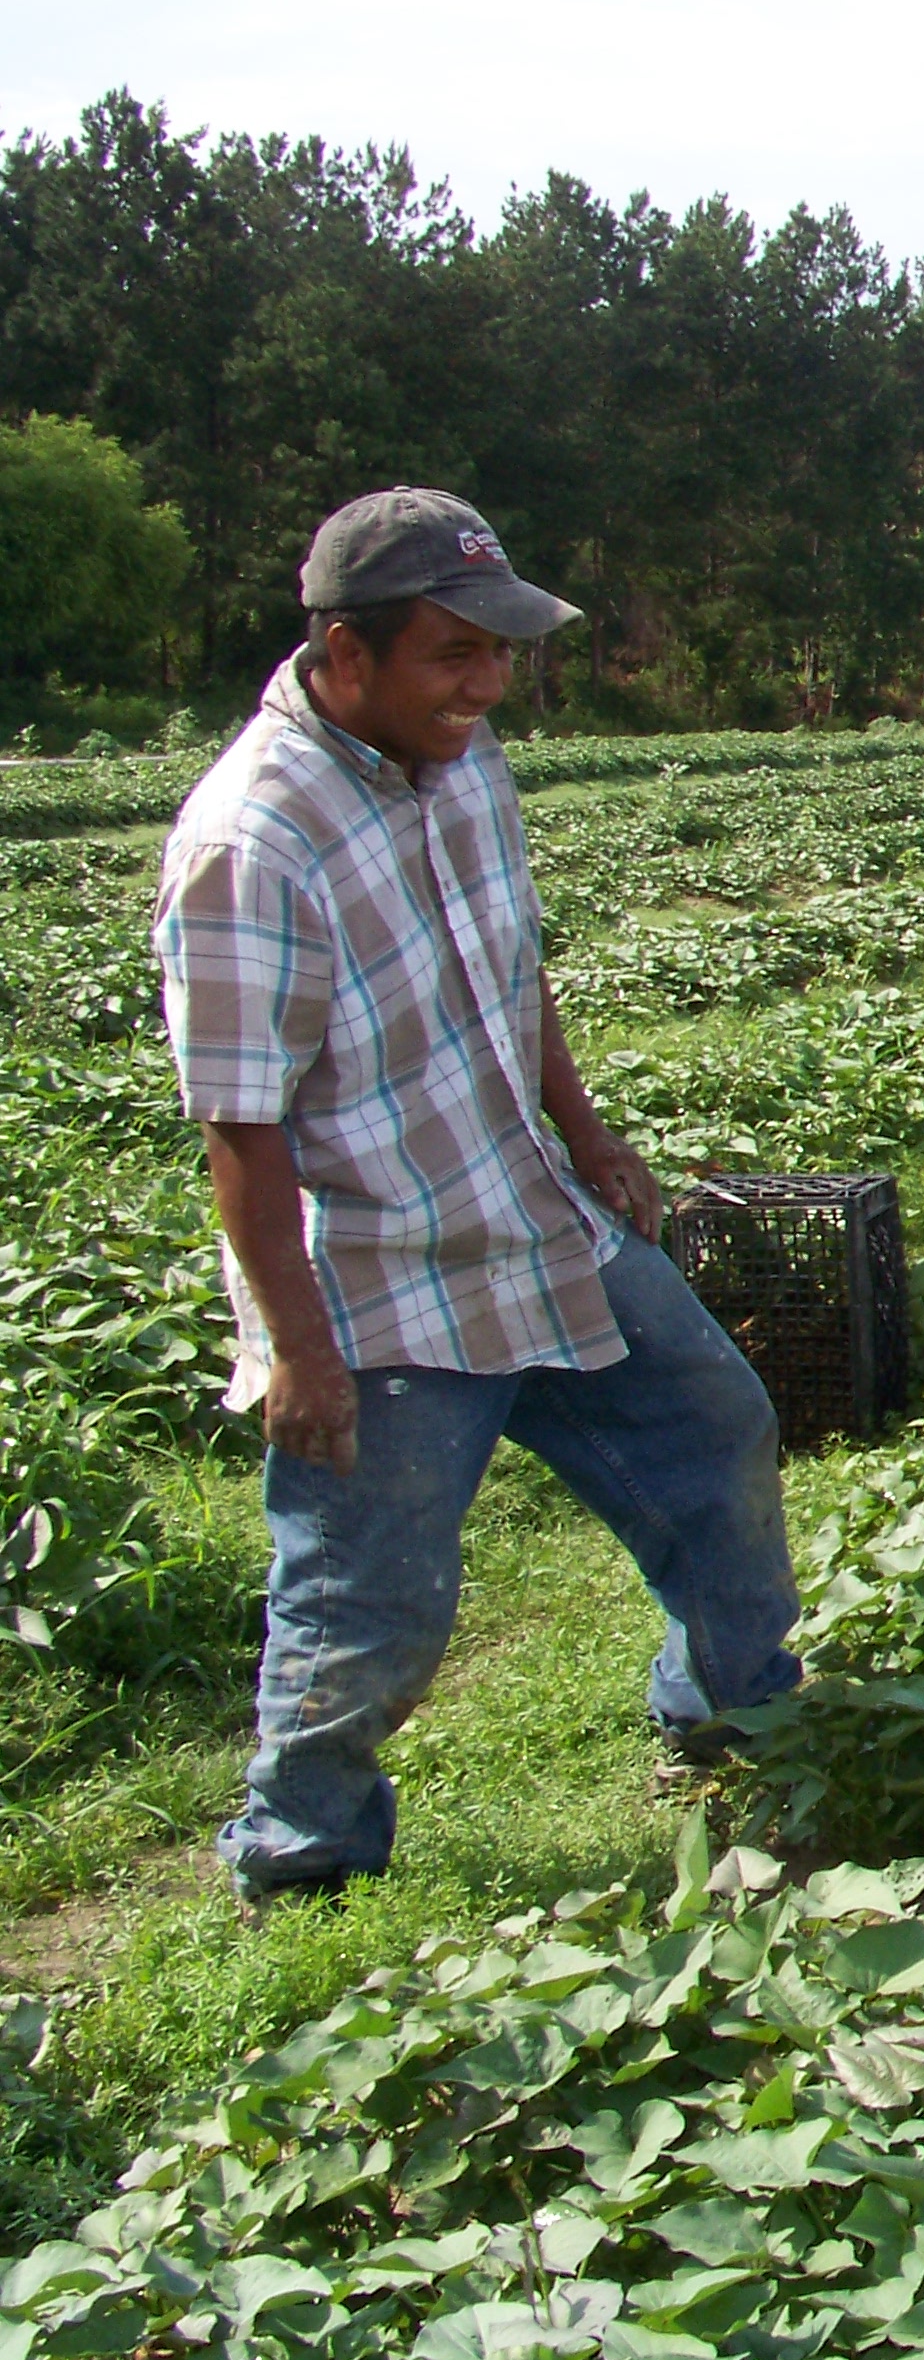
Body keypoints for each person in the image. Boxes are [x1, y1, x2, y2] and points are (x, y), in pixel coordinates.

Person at [152, 488, 802, 1908]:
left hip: (530, 1221)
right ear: (345, 650)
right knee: (369, 1604)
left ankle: (735, 1714)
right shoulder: (250, 846)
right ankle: (303, 1853)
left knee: (715, 1431)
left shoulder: (459, 756)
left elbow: (509, 968)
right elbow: (241, 1128)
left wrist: (586, 1132)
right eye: (455, 654)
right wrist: (300, 1350)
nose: (489, 685)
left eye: (500, 653)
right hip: (379, 1280)